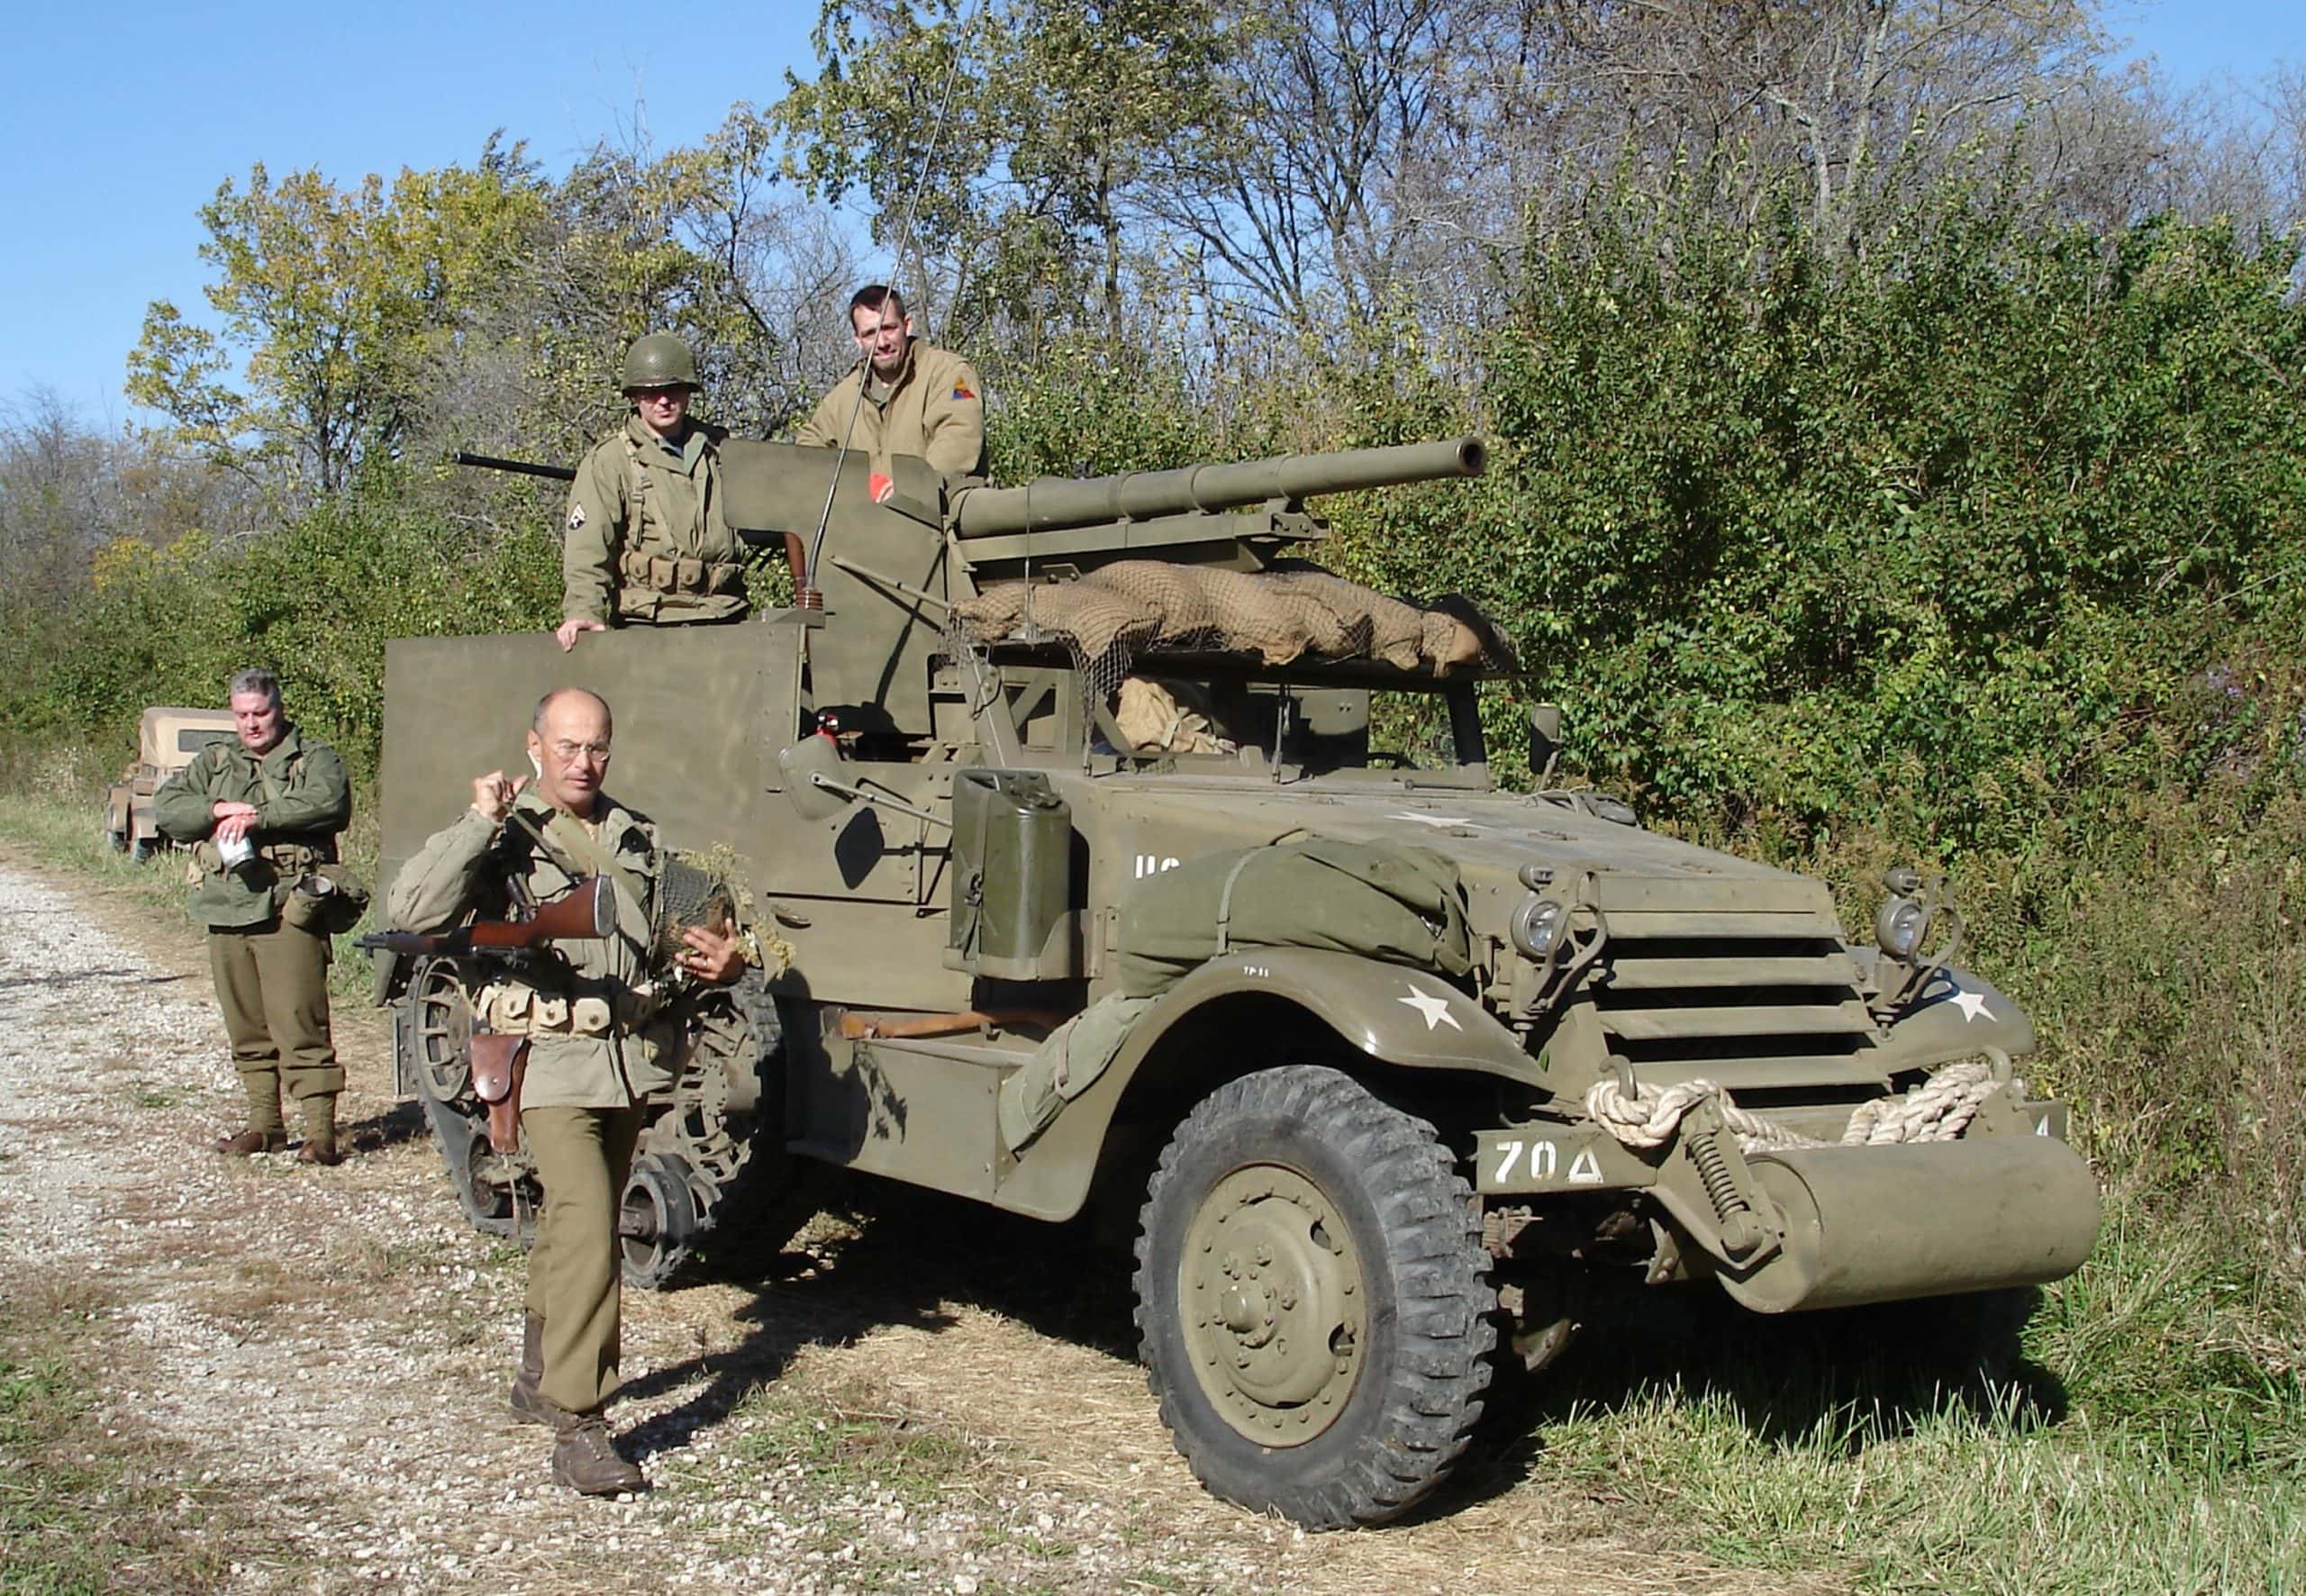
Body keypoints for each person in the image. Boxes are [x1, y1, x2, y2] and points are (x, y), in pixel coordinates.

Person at [384, 687, 746, 1496]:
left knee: (574, 1224)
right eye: (570, 746)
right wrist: (478, 822)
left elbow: (704, 926)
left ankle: (536, 1374)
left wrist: (732, 958)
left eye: (598, 747)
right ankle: (581, 1421)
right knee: (589, 1222)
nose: (585, 762)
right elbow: (413, 909)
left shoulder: (634, 836)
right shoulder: (504, 837)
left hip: (626, 1063)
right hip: (544, 1061)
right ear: (535, 745)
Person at [151, 668, 353, 1164]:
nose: (251, 724)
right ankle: (265, 1125)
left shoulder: (314, 757)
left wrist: (260, 816)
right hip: (226, 906)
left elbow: (330, 804)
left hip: (289, 908)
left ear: (278, 710)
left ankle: (320, 1134)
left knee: (300, 1022)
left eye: (260, 713)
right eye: (241, 715)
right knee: (246, 1026)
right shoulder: (217, 760)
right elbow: (169, 809)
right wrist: (220, 809)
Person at [557, 333, 749, 653]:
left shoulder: (723, 451)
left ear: (688, 392)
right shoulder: (610, 460)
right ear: (634, 396)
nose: (663, 400)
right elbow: (588, 549)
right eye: (650, 393)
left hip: (725, 616)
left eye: (673, 389)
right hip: (647, 622)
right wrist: (583, 611)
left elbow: (772, 515)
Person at [794, 285, 987, 478]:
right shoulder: (844, 397)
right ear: (857, 340)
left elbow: (958, 439)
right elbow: (809, 449)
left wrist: (908, 490)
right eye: (870, 334)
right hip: (863, 508)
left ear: (907, 325)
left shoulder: (949, 373)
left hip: (935, 505)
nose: (882, 343)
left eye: (888, 328)